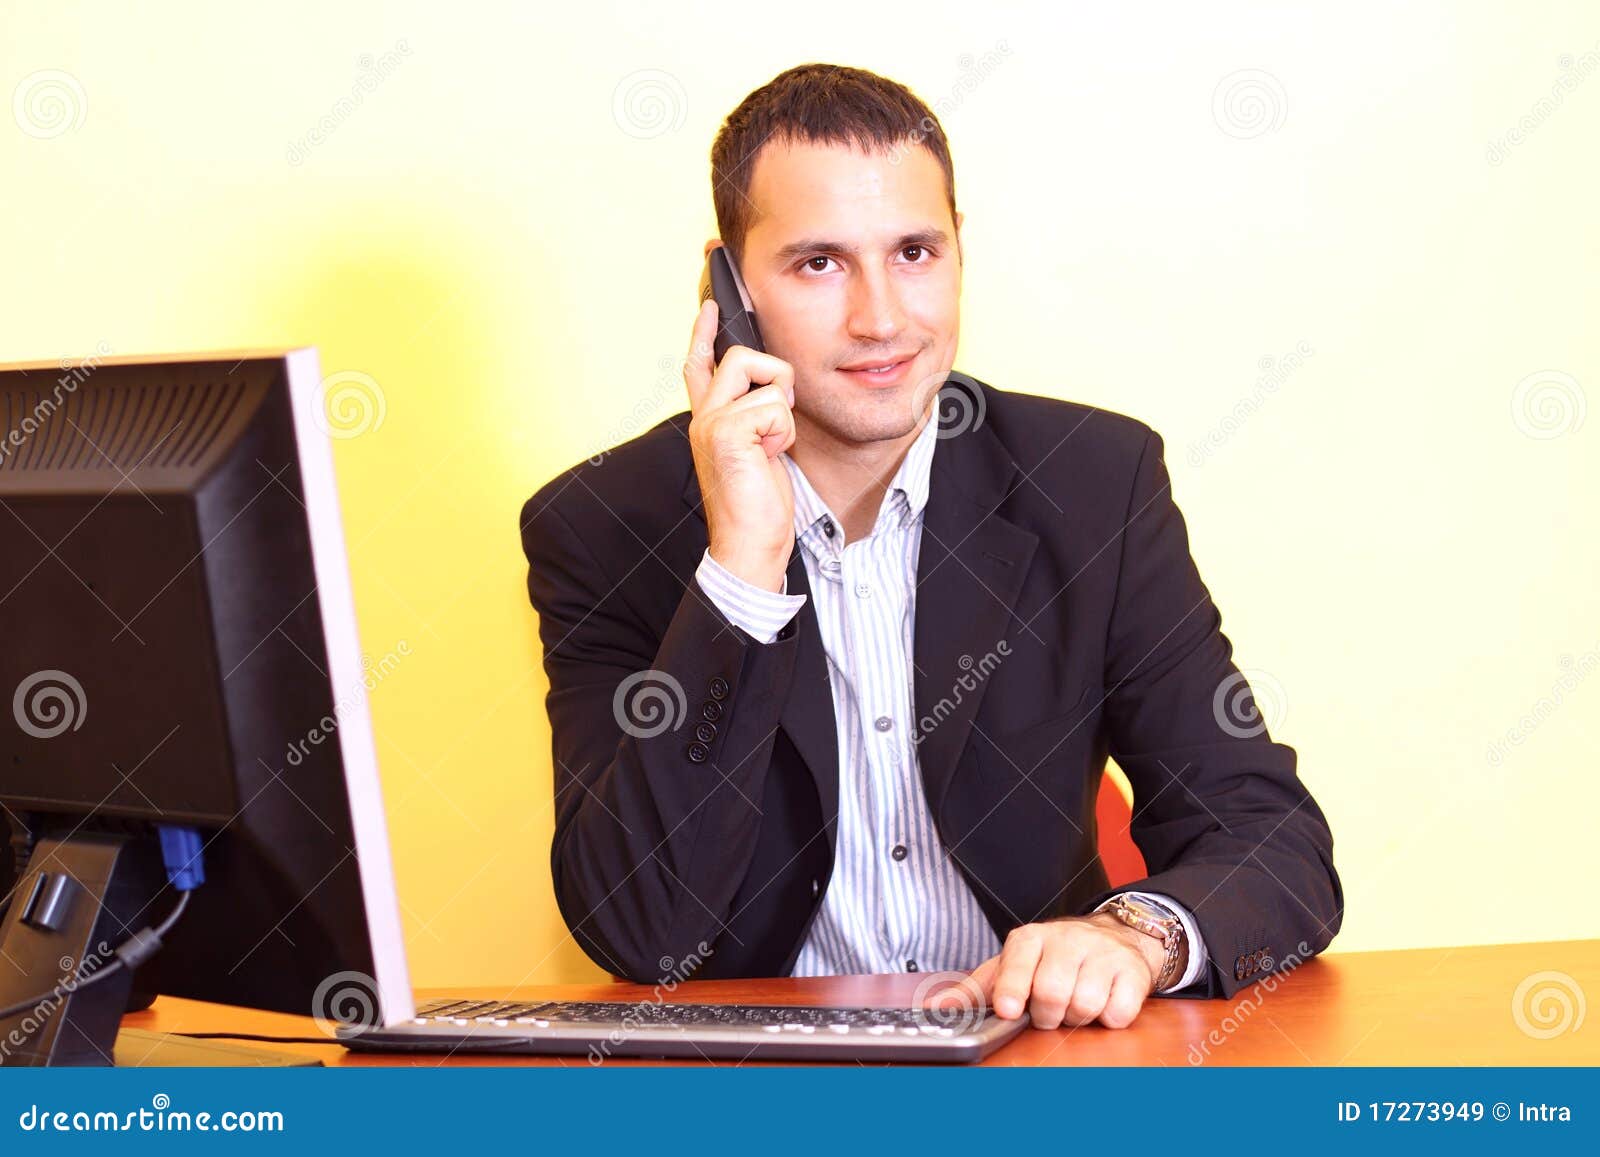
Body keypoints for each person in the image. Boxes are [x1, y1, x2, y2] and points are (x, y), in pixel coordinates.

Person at [519, 63, 1342, 1030]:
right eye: (819, 263)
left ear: (959, 251)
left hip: (1032, 1056)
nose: (881, 319)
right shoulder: (600, 526)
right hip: (760, 1077)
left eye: (914, 252)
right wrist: (739, 569)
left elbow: (1270, 837)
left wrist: (1135, 934)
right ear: (729, 287)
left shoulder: (1093, 483)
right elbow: (638, 930)